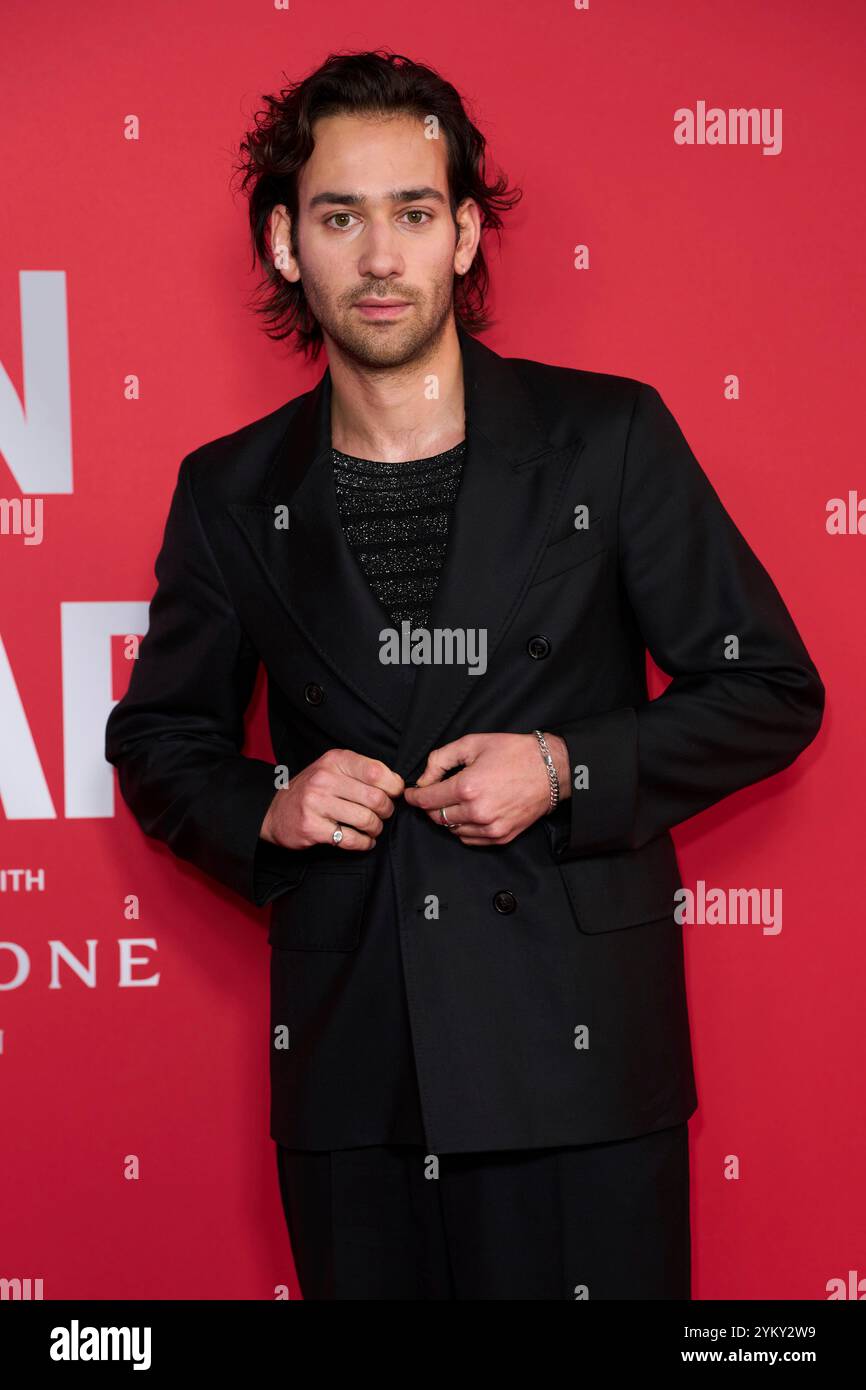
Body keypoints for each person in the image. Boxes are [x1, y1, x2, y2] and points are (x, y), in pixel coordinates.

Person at [104, 49, 825, 1300]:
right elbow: (160, 738)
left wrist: (563, 765)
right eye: (339, 216)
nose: (378, 256)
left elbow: (767, 685)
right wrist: (268, 803)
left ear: (463, 233)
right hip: (355, 1080)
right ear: (286, 244)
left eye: (412, 212)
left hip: (577, 1061)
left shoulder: (611, 436)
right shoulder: (228, 491)